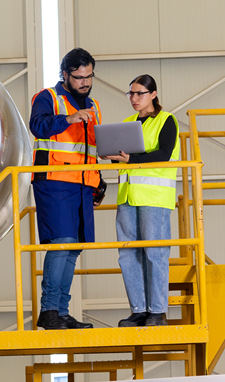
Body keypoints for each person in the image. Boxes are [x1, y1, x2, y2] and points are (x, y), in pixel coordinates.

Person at [29, 48, 106, 331]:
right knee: (61, 244)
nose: (84, 82)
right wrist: (68, 120)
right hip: (55, 181)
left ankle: (61, 311)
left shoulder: (94, 105)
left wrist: (99, 180)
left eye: (89, 77)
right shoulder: (49, 97)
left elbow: (92, 147)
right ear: (65, 75)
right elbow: (36, 126)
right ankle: (49, 310)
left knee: (73, 249)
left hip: (84, 184)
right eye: (78, 77)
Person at [103, 74, 179, 328]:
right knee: (127, 254)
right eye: (131, 94)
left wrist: (130, 160)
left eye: (140, 94)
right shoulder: (127, 123)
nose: (134, 99)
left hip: (154, 198)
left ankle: (157, 311)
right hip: (127, 197)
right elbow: (123, 159)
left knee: (155, 253)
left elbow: (164, 154)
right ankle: (139, 309)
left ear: (153, 94)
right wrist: (112, 155)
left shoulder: (166, 121)